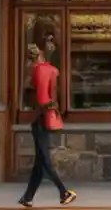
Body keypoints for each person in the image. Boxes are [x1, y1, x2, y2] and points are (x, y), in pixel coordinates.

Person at [18, 44, 76, 208]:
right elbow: (46, 97)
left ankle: (27, 197)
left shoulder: (32, 72)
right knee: (45, 161)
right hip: (43, 117)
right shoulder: (46, 70)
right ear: (42, 55)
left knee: (40, 162)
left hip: (38, 118)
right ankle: (63, 192)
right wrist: (52, 107)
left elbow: (31, 96)